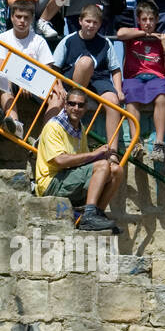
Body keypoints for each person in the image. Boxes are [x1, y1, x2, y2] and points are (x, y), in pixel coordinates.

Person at [34, 86, 123, 232]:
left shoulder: (79, 128)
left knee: (116, 170)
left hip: (67, 177)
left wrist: (102, 155)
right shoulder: (54, 126)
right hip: (51, 183)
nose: (76, 108)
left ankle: (97, 214)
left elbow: (84, 162)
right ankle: (88, 216)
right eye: (72, 104)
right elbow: (60, 160)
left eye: (80, 105)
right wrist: (95, 155)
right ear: (65, 105)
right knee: (101, 166)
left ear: (86, 108)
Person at [52, 4, 124, 147]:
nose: (91, 25)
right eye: (88, 21)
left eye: (95, 22)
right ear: (80, 21)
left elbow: (115, 69)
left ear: (100, 24)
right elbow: (54, 68)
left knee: (114, 103)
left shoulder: (105, 42)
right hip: (73, 80)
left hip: (98, 79)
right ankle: (75, 99)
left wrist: (119, 90)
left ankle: (112, 150)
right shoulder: (69, 40)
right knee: (85, 62)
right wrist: (58, 86)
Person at [116, 0, 165, 162]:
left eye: (151, 20)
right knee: (130, 96)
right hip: (135, 77)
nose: (148, 23)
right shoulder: (134, 34)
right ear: (139, 21)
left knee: (161, 97)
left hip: (157, 77)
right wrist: (145, 34)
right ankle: (136, 142)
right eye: (144, 20)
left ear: (157, 20)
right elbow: (120, 33)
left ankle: (159, 143)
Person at [0, 0, 54, 134]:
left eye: (26, 18)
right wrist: (22, 80)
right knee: (4, 79)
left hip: (34, 82)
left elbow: (48, 69)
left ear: (31, 19)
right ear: (11, 17)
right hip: (12, 79)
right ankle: (15, 124)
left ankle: (47, 136)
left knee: (57, 97)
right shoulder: (3, 38)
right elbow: (1, 64)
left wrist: (28, 82)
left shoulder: (39, 41)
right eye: (18, 17)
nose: (22, 21)